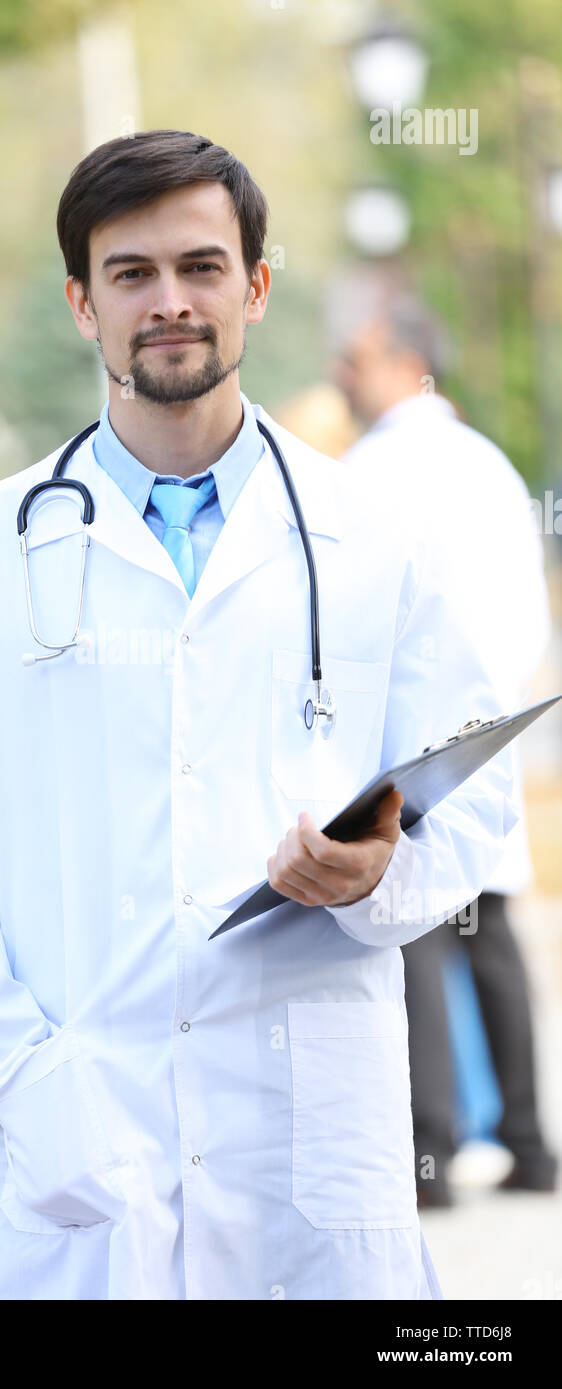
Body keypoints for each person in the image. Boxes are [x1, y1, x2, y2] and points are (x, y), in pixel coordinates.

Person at [0, 130, 516, 1301]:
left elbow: (471, 810)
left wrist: (377, 876)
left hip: (309, 1145)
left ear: (255, 289)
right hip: (69, 1128)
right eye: (131, 274)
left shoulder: (377, 535)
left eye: (202, 267)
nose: (170, 302)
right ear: (81, 303)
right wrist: (20, 1071)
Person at [335, 294, 557, 1203]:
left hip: (411, 736)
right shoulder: (492, 467)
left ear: (397, 358)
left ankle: (429, 1153)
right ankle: (528, 1139)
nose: (344, 378)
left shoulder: (371, 467)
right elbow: (528, 603)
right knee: (494, 932)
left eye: (355, 359)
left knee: (413, 937)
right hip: (493, 724)